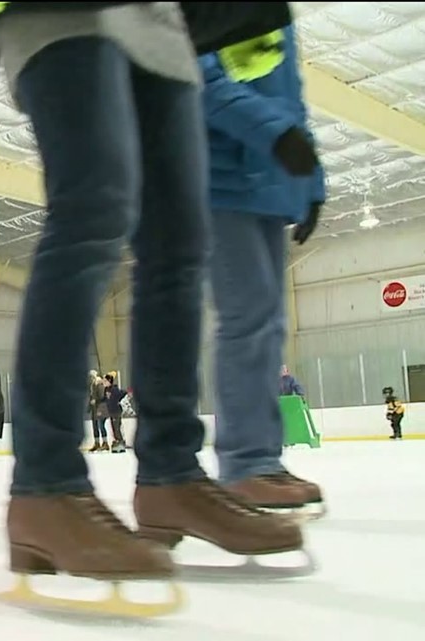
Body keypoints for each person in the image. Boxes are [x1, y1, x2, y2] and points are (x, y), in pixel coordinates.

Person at [0, 2, 304, 617]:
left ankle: (171, 474)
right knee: (93, 210)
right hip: (60, 14)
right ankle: (46, 484)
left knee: (181, 245)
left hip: (163, 28)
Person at [199, 25, 327, 517]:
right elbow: (202, 79)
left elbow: (291, 98)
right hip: (219, 177)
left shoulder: (279, 17)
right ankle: (246, 464)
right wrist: (275, 135)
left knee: (269, 325)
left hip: (268, 183)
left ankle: (262, 460)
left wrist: (311, 181)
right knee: (247, 319)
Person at [103, 371, 127, 452]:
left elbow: (122, 393)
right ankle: (117, 443)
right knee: (113, 428)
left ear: (109, 381)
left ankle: (121, 443)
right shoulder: (106, 389)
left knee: (117, 428)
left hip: (116, 411)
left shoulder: (114, 389)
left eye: (105, 381)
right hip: (111, 412)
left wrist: (127, 392)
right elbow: (105, 399)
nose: (104, 382)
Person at [87, 370, 108, 451]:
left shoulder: (99, 383)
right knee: (95, 426)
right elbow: (91, 397)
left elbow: (102, 395)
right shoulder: (92, 385)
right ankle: (97, 443)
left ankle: (105, 443)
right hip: (94, 408)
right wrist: (89, 408)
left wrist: (96, 400)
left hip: (100, 408)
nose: (91, 378)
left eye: (92, 376)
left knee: (100, 425)